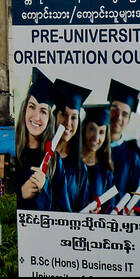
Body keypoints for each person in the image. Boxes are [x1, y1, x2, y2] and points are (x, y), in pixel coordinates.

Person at [9, 67, 58, 210]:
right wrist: (21, 194)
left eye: (43, 111)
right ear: (25, 109)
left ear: (49, 119)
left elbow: (64, 212)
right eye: (32, 107)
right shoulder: (12, 152)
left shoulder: (54, 160)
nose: (36, 117)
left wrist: (44, 188)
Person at [49, 78, 90, 212]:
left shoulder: (80, 168)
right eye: (63, 115)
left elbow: (82, 209)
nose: (68, 123)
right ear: (54, 116)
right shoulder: (41, 155)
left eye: (74, 117)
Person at [79, 104, 116, 212]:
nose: (96, 137)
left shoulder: (106, 175)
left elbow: (110, 210)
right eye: (92, 129)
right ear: (84, 128)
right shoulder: (71, 164)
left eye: (101, 132)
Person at [107, 79, 140, 151]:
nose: (118, 117)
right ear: (107, 111)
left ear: (128, 120)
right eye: (115, 110)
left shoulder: (131, 156)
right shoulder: (90, 145)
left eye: (124, 114)